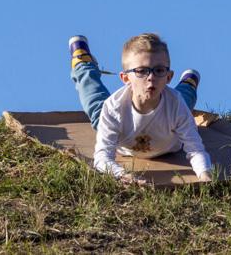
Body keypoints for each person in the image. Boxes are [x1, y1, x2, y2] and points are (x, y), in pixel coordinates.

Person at [68, 32, 213, 184]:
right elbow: (102, 158)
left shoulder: (176, 104)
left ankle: (189, 82)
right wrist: (123, 175)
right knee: (93, 98)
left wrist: (205, 174)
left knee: (184, 99)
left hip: (170, 146)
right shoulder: (113, 108)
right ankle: (82, 63)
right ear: (125, 78)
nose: (151, 78)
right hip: (124, 145)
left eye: (159, 70)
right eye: (141, 71)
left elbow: (196, 150)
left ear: (169, 77)